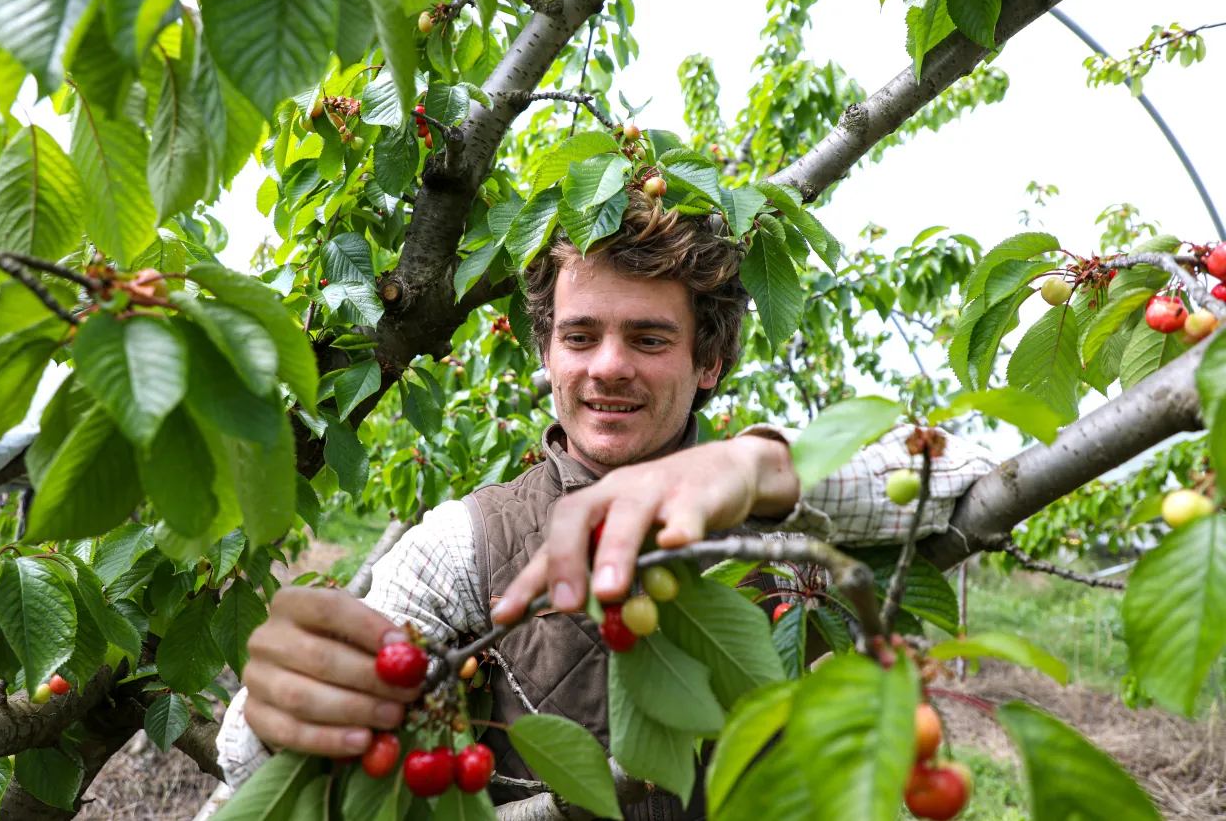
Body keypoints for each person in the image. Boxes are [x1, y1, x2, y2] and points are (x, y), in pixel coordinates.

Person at [217, 191, 996, 818]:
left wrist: (758, 466)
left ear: (711, 360)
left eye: (651, 340)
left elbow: (973, 474)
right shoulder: (467, 542)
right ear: (547, 351)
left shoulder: (782, 519)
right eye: (581, 336)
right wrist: (274, 708)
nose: (609, 367)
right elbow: (249, 768)